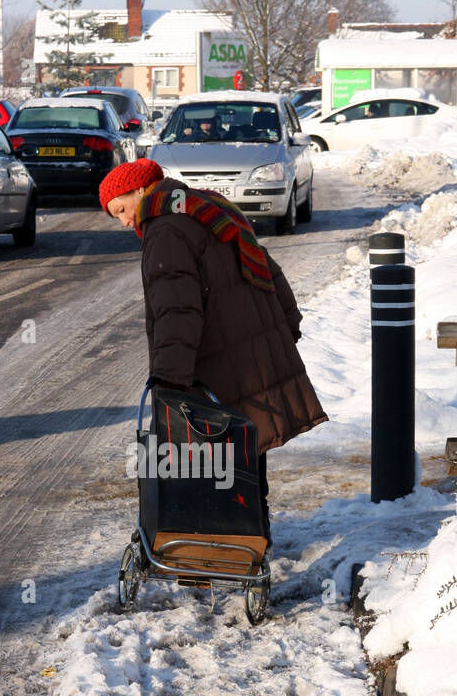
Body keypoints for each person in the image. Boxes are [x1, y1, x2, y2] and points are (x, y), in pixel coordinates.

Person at [100, 157, 327, 552]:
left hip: (221, 360)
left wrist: (170, 378)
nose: (122, 222)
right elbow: (266, 266)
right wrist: (285, 324)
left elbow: (177, 309)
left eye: (120, 209)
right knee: (247, 446)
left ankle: (224, 545)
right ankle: (253, 536)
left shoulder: (165, 229)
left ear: (140, 190)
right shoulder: (204, 206)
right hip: (250, 347)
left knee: (214, 456)